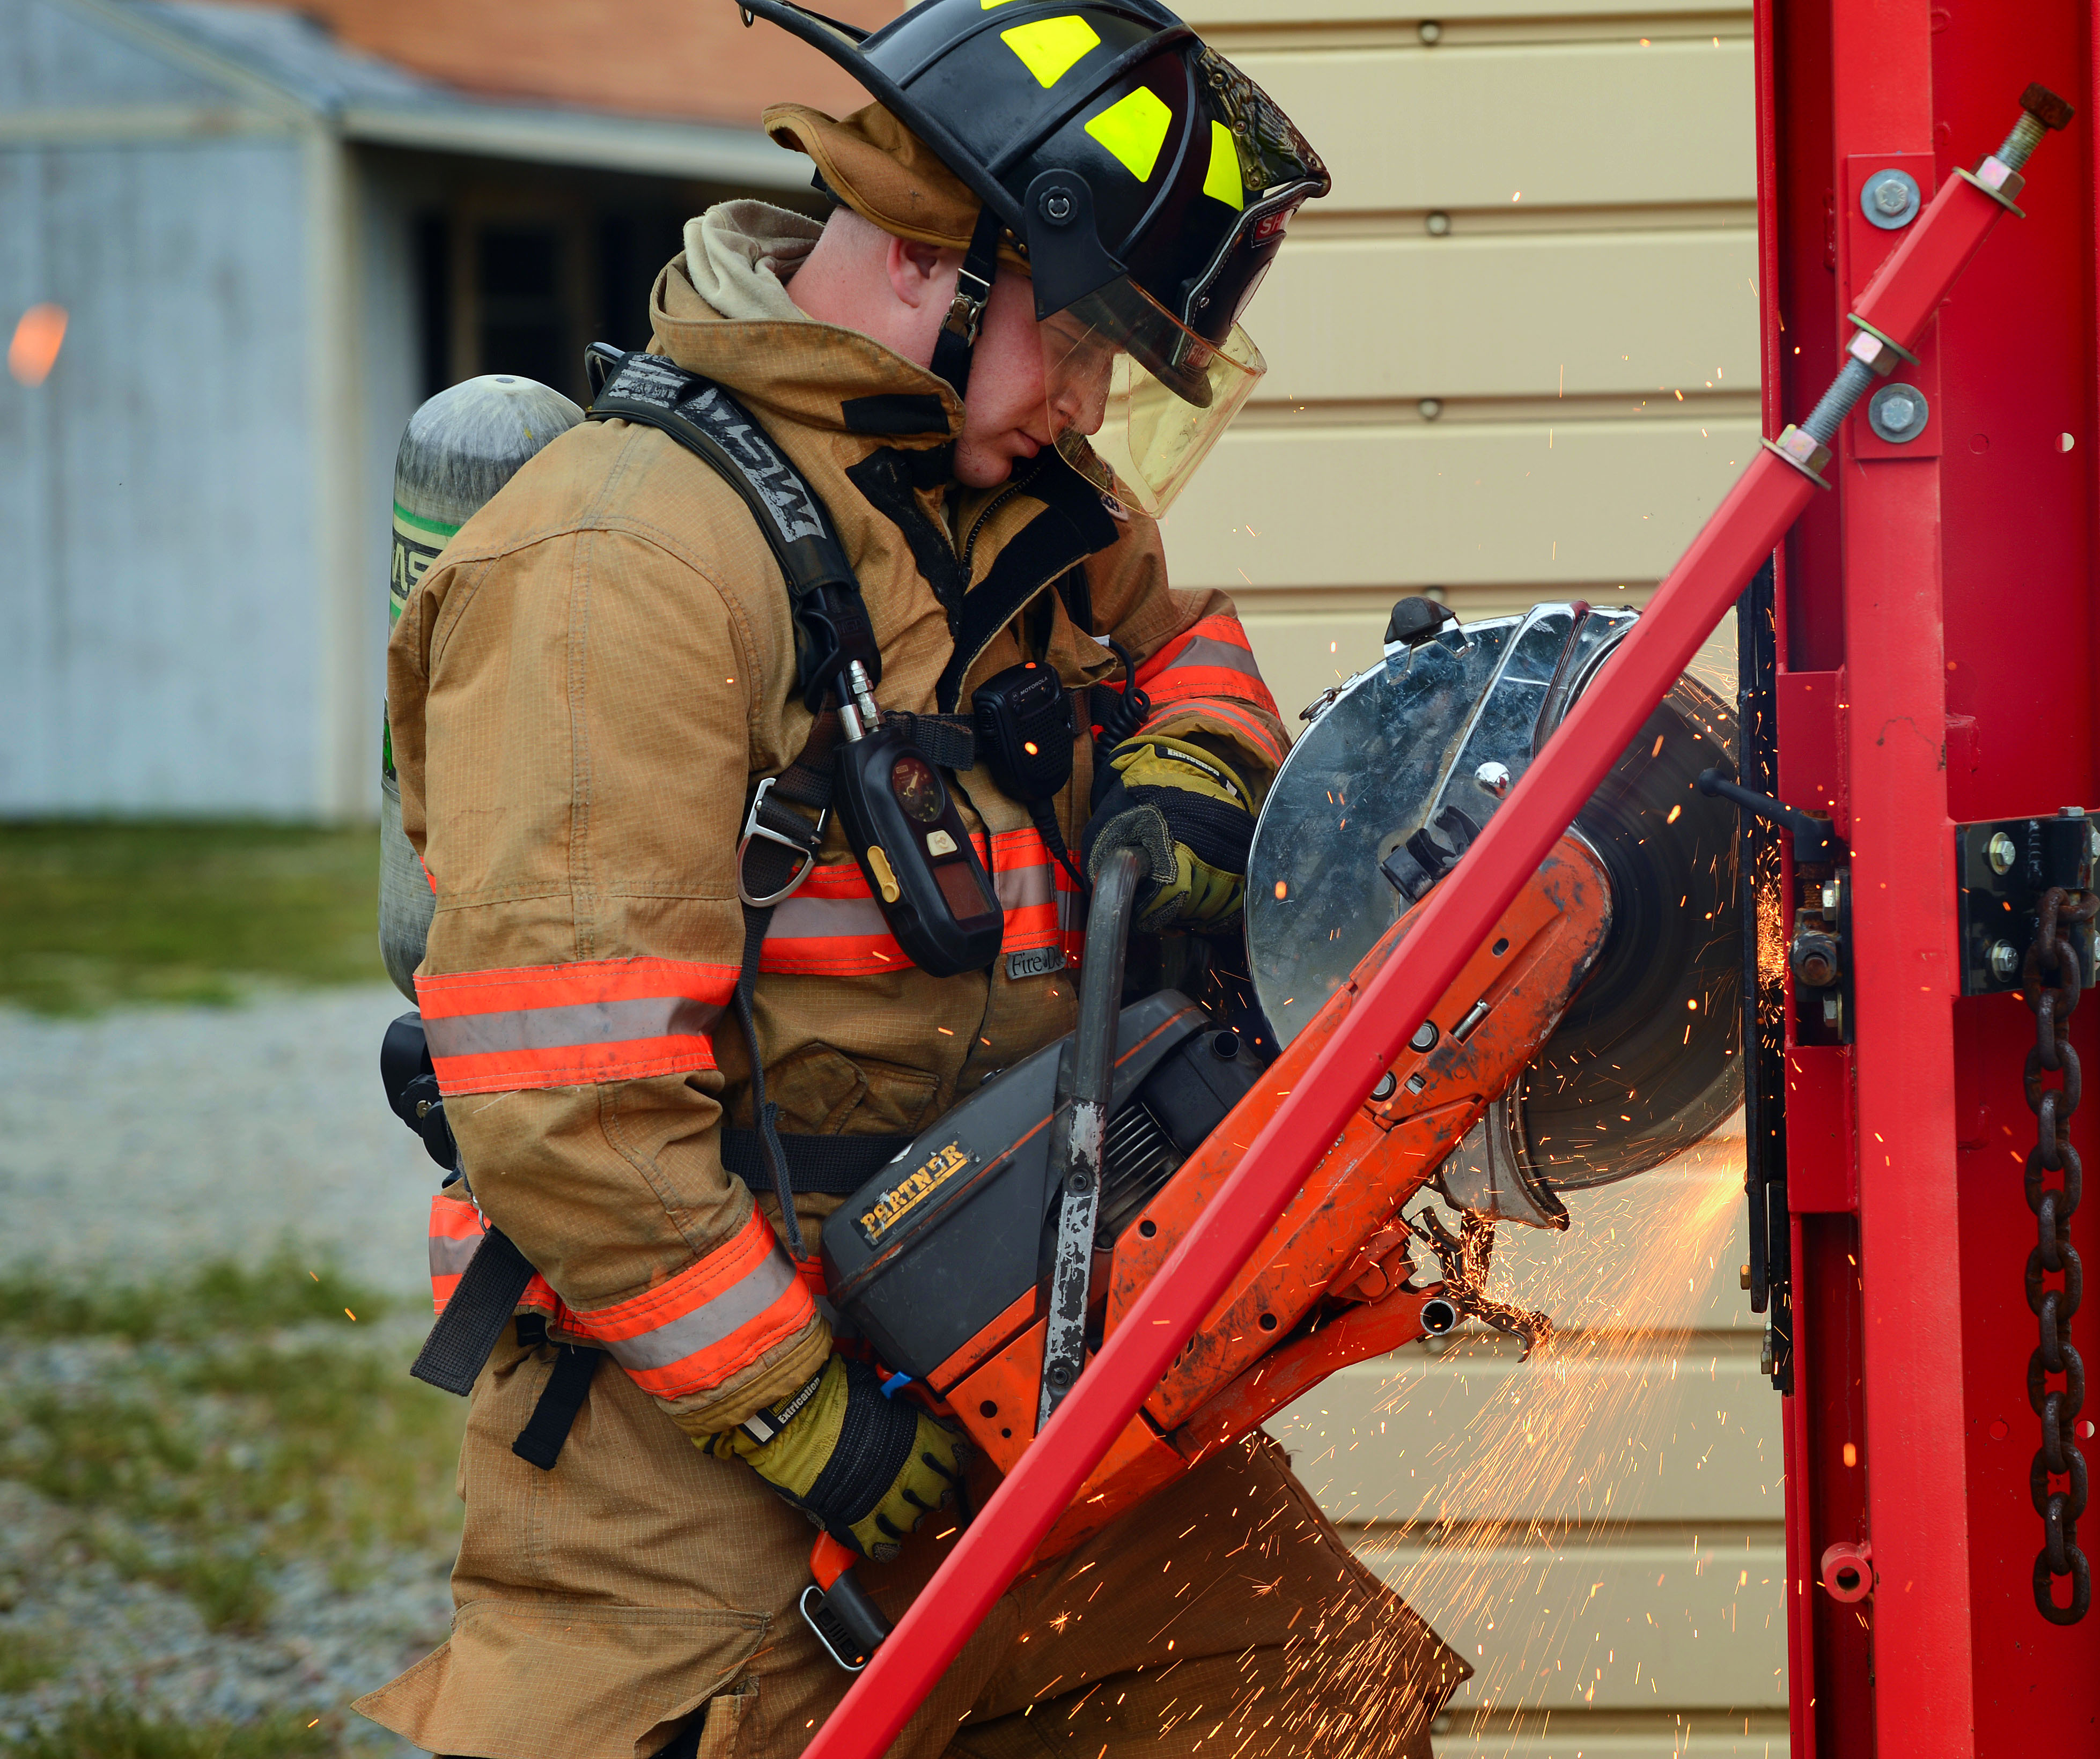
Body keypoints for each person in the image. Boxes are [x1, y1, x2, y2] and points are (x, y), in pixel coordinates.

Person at [358, 4, 1468, 1755]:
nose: (1097, 402)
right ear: (924, 265)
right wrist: (824, 1428)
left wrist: (1190, 769)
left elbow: (1191, 656)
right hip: (706, 1441)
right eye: (1084, 338)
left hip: (1031, 1330)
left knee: (1302, 1703)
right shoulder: (620, 563)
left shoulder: (1028, 499)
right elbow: (565, 1104)